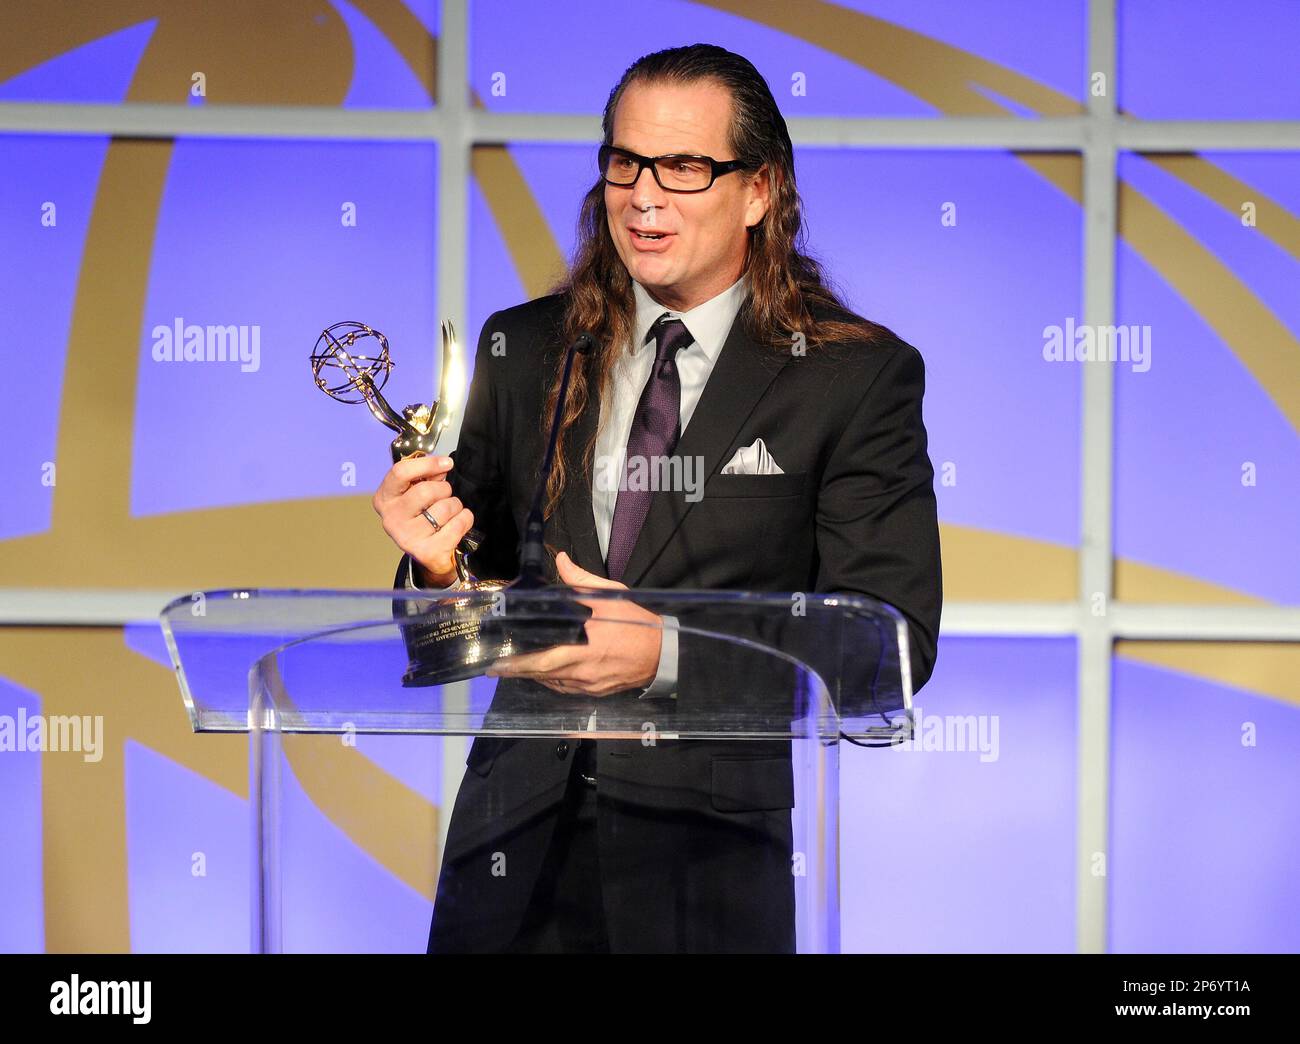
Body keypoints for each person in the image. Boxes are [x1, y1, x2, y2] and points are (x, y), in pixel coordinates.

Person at [372, 44, 942, 953]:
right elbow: (452, 614)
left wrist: (665, 654)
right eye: (625, 161)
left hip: (704, 872)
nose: (644, 196)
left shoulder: (851, 377)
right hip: (510, 854)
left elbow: (886, 647)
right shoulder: (526, 347)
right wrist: (433, 563)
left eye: (684, 167)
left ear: (760, 191)